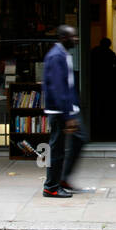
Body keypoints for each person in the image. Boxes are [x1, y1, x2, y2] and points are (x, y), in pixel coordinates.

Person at [42, 25, 88, 198]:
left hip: (68, 109)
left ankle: (62, 179)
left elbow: (67, 85)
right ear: (63, 38)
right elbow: (58, 88)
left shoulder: (63, 54)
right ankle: (51, 187)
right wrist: (68, 115)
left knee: (80, 139)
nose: (76, 39)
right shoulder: (56, 56)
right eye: (72, 36)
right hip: (59, 111)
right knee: (57, 149)